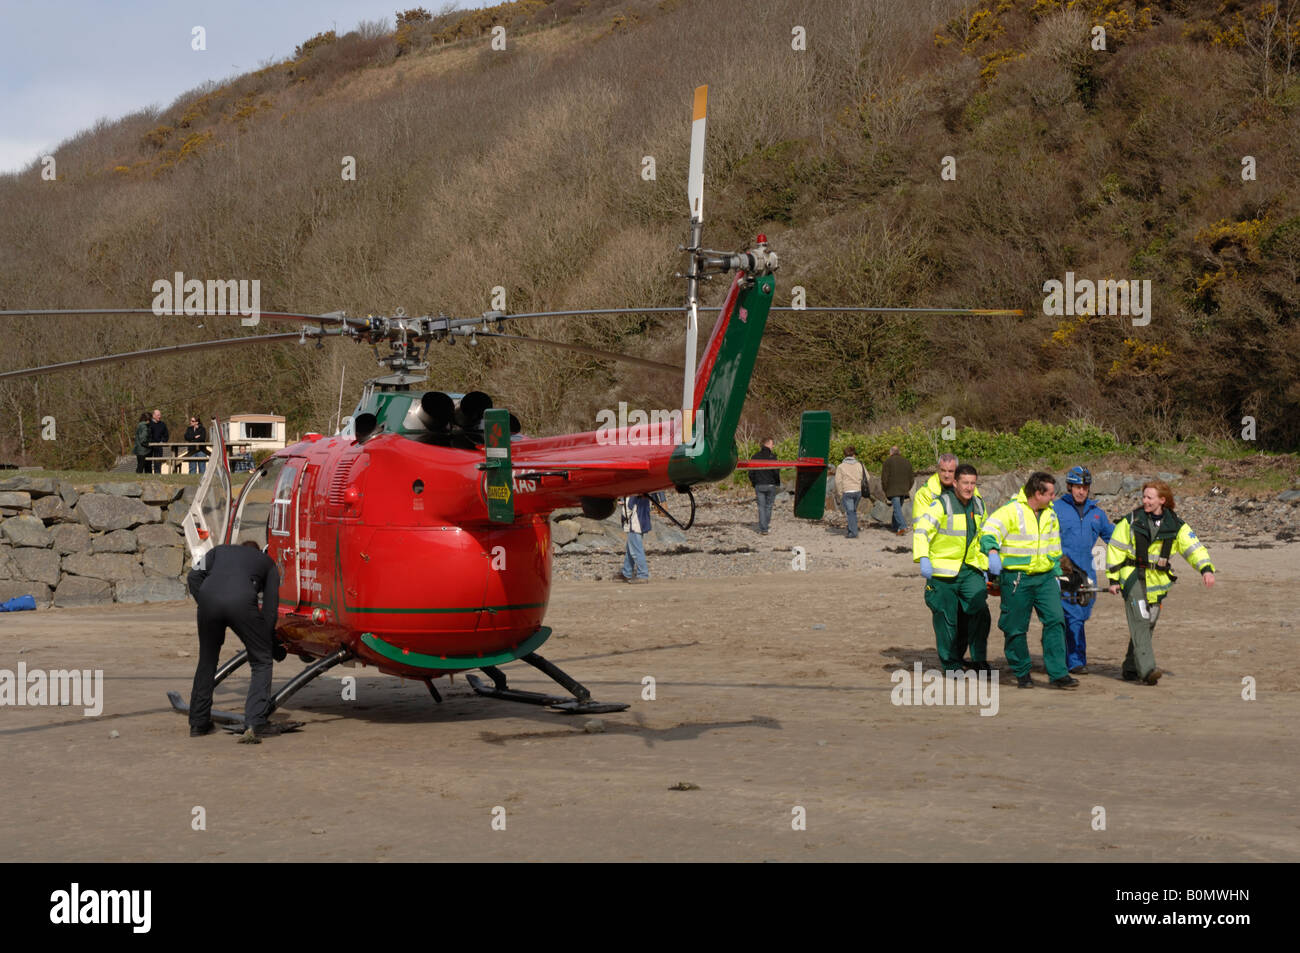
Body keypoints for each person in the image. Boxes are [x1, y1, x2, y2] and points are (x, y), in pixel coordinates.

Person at [1106, 480, 1215, 685]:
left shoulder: (1176, 525)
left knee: (1148, 623)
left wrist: (1206, 569)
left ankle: (1130, 668)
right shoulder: (1130, 521)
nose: (1144, 501)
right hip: (1131, 578)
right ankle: (1147, 671)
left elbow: (1193, 548)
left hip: (1157, 582)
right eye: (1144, 497)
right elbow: (1115, 549)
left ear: (1162, 500)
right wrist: (1113, 579)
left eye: (1149, 497)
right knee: (1140, 619)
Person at [980, 471, 1077, 689]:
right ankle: (1022, 673)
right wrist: (992, 553)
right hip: (1017, 579)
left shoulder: (1050, 514)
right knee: (1015, 628)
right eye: (1050, 494)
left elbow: (1053, 547)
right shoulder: (1010, 511)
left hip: (1045, 579)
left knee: (1055, 621)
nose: (1054, 498)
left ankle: (1059, 674)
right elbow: (988, 532)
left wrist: (1058, 573)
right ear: (1037, 493)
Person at [186, 541, 289, 742]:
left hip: (208, 601)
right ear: (258, 551)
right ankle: (256, 721)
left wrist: (207, 603)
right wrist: (266, 640)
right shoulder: (268, 563)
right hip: (242, 603)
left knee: (207, 662)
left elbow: (193, 577)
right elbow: (270, 609)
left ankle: (198, 723)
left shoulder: (218, 551)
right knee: (261, 660)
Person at [914, 463, 991, 673]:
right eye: (965, 483)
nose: (969, 487)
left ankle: (978, 659)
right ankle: (951, 664)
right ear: (955, 483)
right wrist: (923, 558)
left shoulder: (979, 505)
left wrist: (990, 558)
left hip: (970, 570)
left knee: (980, 612)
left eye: (973, 483)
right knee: (946, 619)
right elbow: (921, 531)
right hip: (942, 573)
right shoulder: (941, 504)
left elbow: (984, 534)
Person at [1052, 465, 1114, 674]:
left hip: (1088, 575)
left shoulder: (1097, 514)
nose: (1081, 491)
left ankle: (1063, 657)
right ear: (1069, 486)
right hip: (1062, 573)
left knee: (1081, 615)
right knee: (1072, 618)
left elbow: (1114, 539)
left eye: (1085, 487)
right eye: (1077, 487)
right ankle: (1075, 662)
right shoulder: (1055, 509)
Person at [617, 493, 658, 583]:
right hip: (642, 522)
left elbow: (627, 508)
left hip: (634, 523)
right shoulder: (645, 492)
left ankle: (642, 574)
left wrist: (624, 519)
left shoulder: (632, 492)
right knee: (630, 548)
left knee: (635, 550)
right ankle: (626, 572)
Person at [748, 438, 780, 535]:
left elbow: (751, 473)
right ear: (768, 444)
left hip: (759, 485)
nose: (773, 446)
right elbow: (776, 472)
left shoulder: (754, 457)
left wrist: (754, 483)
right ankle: (765, 526)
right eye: (772, 444)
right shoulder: (773, 457)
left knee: (761, 507)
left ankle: (763, 528)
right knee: (768, 507)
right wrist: (777, 483)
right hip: (770, 484)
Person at [833, 447, 867, 538]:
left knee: (850, 512)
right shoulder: (860, 465)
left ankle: (853, 533)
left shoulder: (841, 466)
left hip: (847, 491)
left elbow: (837, 481)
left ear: (845, 455)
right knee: (853, 512)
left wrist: (840, 493)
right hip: (857, 491)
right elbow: (867, 477)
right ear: (853, 455)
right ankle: (852, 529)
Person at [881, 445, 914, 536]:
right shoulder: (907, 462)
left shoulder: (887, 462)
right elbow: (912, 478)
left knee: (897, 509)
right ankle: (895, 526)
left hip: (893, 490)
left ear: (891, 452)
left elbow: (884, 478)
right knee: (898, 508)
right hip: (904, 490)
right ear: (899, 452)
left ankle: (902, 527)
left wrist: (885, 489)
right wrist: (908, 488)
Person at [147, 408, 170, 475]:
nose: (159, 417)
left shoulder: (162, 424)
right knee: (148, 462)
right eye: (158, 415)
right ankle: (148, 475)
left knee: (158, 462)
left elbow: (166, 435)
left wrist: (162, 441)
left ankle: (158, 475)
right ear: (153, 415)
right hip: (150, 446)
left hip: (159, 446)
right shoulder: (149, 424)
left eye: (160, 415)